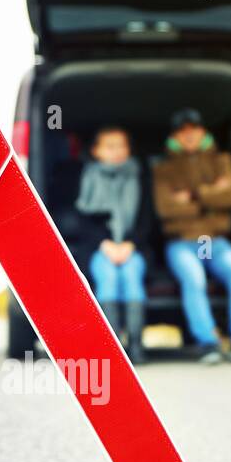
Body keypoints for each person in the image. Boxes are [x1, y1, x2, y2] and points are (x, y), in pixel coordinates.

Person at [153, 108, 231, 364]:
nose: (189, 135)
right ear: (176, 136)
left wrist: (191, 195)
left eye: (194, 129)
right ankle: (208, 343)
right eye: (183, 131)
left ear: (203, 131)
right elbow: (165, 208)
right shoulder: (164, 168)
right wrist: (212, 194)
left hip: (215, 240)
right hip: (182, 241)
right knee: (194, 279)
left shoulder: (222, 160)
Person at [74, 126, 149, 364]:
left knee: (132, 275)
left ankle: (136, 345)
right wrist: (104, 244)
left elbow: (148, 220)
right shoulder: (87, 178)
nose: (116, 151)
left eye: (121, 145)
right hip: (100, 248)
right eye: (110, 146)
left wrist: (130, 244)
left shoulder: (140, 177)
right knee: (107, 278)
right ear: (96, 151)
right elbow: (81, 220)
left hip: (132, 248)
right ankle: (112, 347)